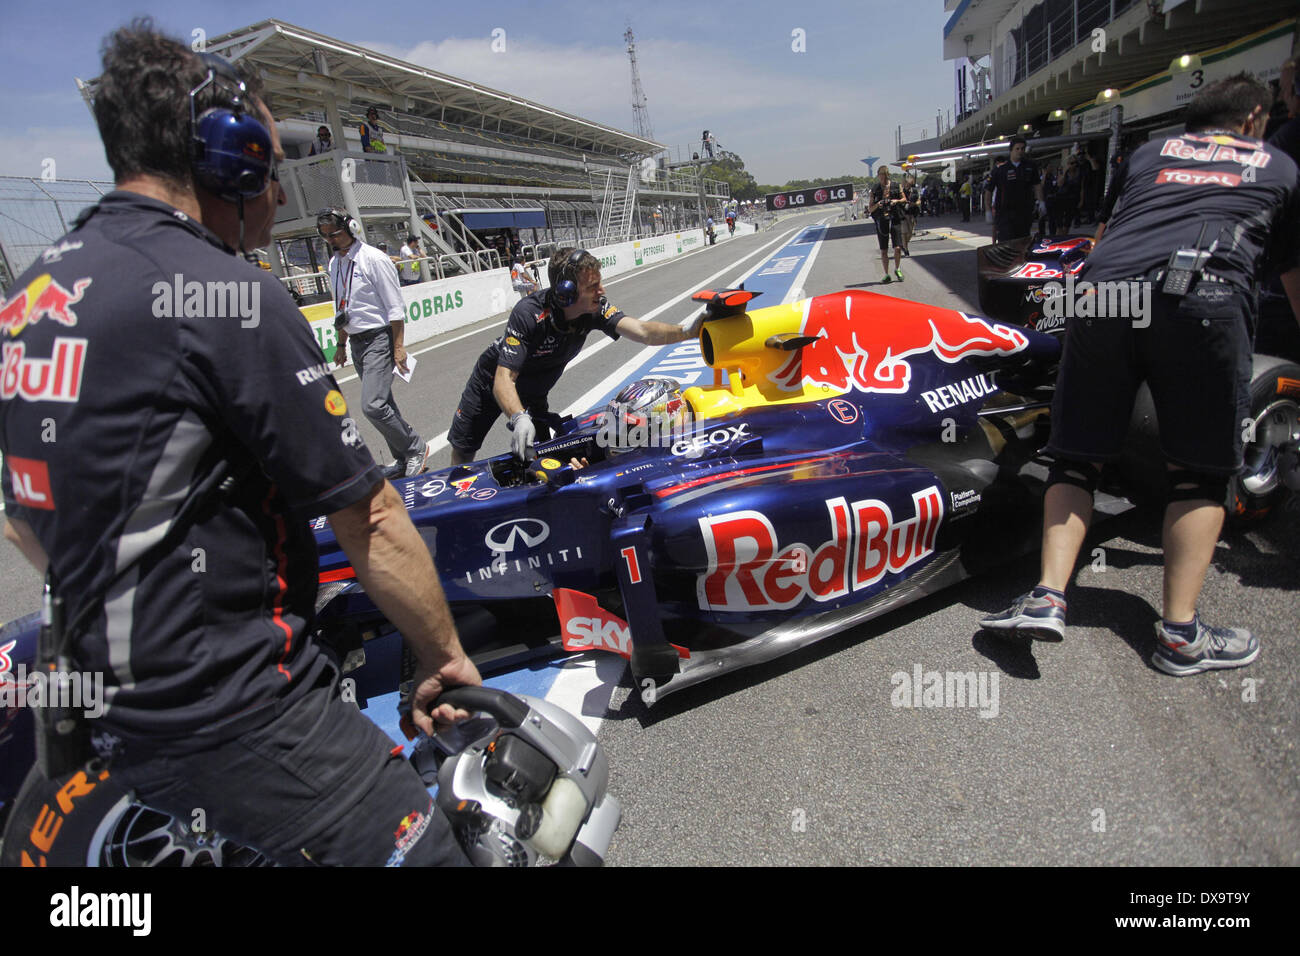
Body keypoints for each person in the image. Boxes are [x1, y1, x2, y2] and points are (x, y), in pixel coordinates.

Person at [0, 21, 480, 866]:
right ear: (231, 156)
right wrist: (444, 656)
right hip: (232, 705)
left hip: (101, 709)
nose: (279, 184)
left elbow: (23, 521)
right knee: (426, 845)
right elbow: (368, 514)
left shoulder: (35, 294)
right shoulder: (223, 295)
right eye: (267, 151)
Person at [980, 73, 1300, 677]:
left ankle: (1048, 595)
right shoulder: (1277, 165)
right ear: (1255, 117)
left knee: (1075, 457)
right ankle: (1180, 636)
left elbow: (1102, 239)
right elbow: (1289, 273)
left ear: (1192, 118)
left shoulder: (1149, 154)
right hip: (1202, 298)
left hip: (1103, 297)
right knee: (1199, 475)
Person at [447, 248, 704, 464]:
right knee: (464, 449)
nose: (602, 290)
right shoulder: (529, 314)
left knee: (544, 454)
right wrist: (518, 416)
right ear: (565, 293)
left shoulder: (595, 309)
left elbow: (643, 331)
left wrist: (689, 331)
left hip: (535, 390)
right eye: (593, 286)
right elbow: (503, 378)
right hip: (491, 383)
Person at [320, 208, 431, 478]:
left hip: (379, 338)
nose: (331, 240)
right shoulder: (335, 264)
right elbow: (341, 308)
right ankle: (403, 459)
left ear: (351, 228)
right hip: (356, 342)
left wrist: (398, 346)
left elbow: (395, 307)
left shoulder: (374, 259)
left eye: (334, 234)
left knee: (372, 405)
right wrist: (341, 344)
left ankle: (415, 447)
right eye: (325, 236)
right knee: (385, 403)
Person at [983, 136, 1044, 243]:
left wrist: (1041, 201)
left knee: (1023, 241)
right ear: (1011, 150)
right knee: (1006, 243)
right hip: (1005, 214)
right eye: (1017, 148)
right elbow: (988, 190)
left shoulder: (1030, 166)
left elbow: (1037, 185)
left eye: (1022, 149)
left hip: (1024, 212)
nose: (1020, 151)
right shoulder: (1000, 169)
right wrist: (988, 210)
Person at [868, 165, 906, 282]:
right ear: (878, 176)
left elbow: (904, 199)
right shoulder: (874, 189)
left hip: (895, 217)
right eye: (881, 175)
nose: (882, 178)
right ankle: (886, 274)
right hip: (881, 220)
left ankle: (897, 268)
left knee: (898, 247)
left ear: (887, 175)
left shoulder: (896, 185)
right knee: (884, 249)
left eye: (884, 175)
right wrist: (878, 204)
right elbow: (870, 209)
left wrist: (896, 201)